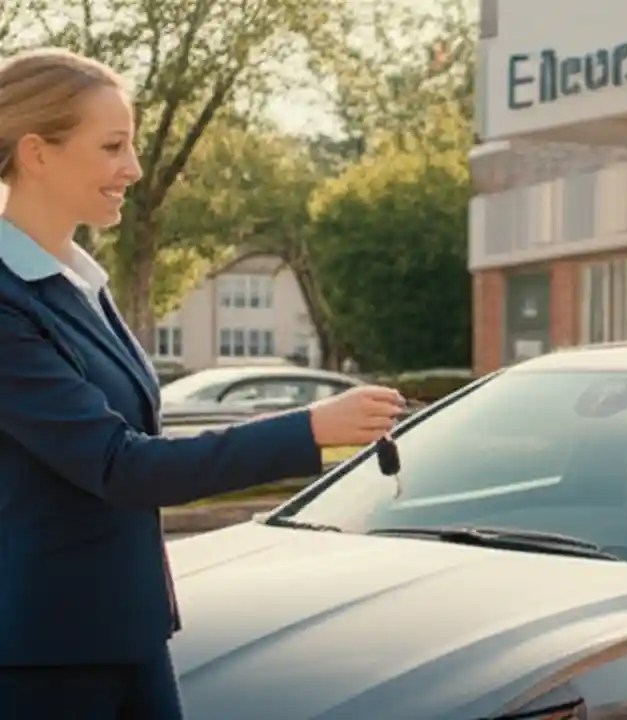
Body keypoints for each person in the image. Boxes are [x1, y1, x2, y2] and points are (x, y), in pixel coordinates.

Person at [0, 48, 407, 718]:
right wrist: (309, 430)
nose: (134, 168)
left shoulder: (80, 283)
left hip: (130, 632)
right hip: (45, 657)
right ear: (37, 153)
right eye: (112, 146)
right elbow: (119, 465)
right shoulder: (8, 303)